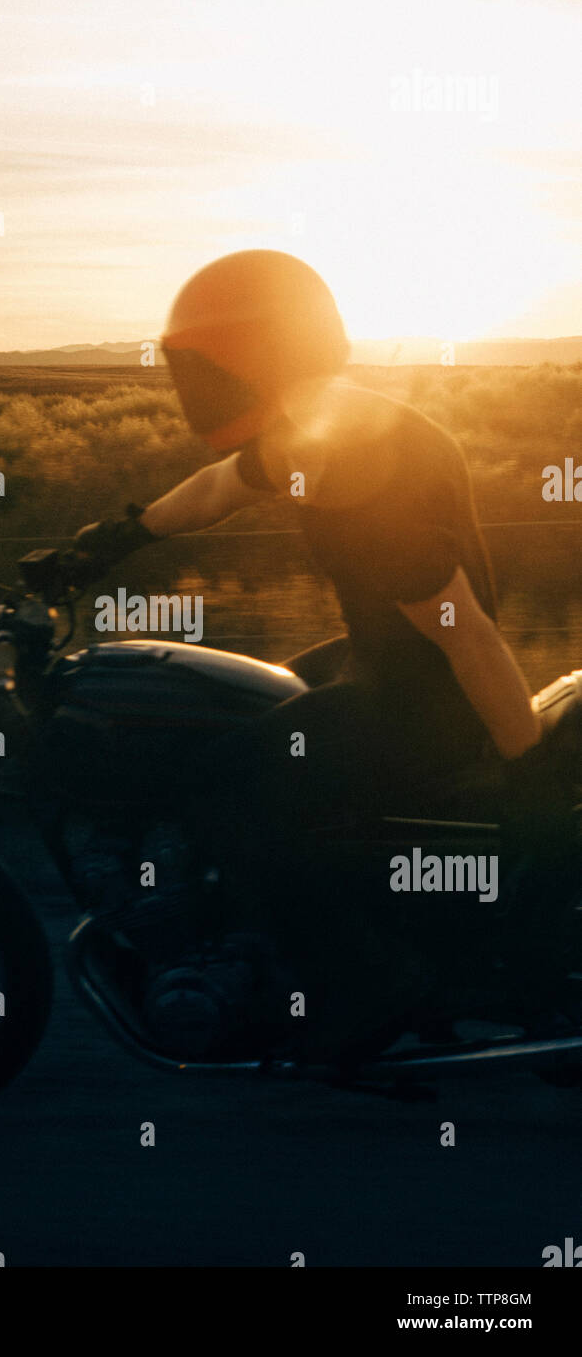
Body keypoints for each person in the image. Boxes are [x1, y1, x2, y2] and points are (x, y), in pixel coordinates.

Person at [70, 250, 571, 1060]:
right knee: (251, 708)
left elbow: (464, 632)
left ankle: (370, 983)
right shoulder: (327, 425)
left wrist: (529, 772)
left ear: (253, 360)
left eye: (204, 366)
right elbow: (223, 484)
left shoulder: (359, 475)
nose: (193, 384)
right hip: (382, 659)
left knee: (226, 789)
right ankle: (264, 940)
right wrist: (120, 536)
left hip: (421, 696)